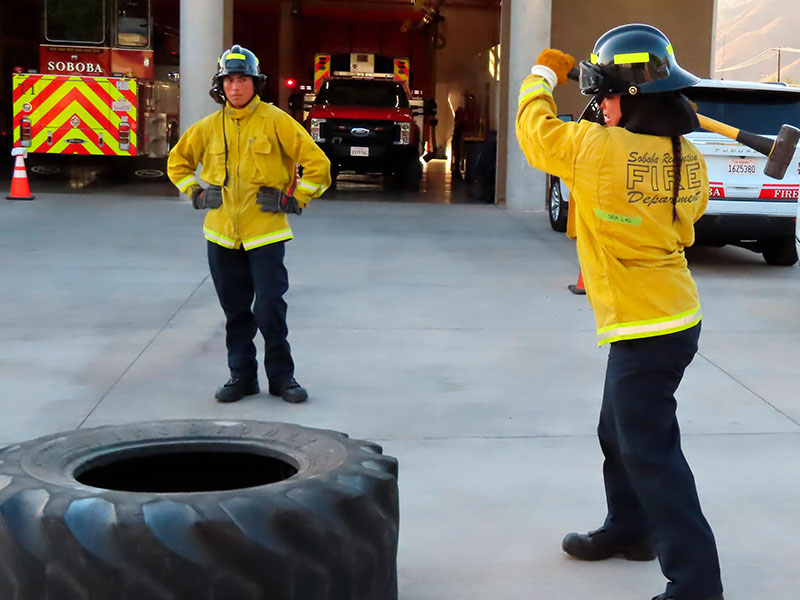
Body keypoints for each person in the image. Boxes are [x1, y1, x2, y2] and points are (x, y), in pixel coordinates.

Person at [515, 25, 723, 600]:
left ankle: (697, 584)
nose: (600, 105)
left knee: (652, 453)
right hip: (672, 315)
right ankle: (631, 530)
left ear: (628, 98)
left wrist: (542, 75)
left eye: (604, 94)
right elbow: (689, 219)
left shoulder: (592, 148)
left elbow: (534, 134)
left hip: (645, 327)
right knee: (617, 430)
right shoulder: (688, 156)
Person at [168, 45, 331, 404]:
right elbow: (177, 163)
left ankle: (282, 377)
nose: (236, 87)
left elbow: (318, 165)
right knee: (235, 311)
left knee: (269, 308)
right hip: (221, 236)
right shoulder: (208, 127)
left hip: (265, 234)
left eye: (243, 79)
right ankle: (241, 376)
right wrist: (195, 193)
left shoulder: (276, 121)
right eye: (229, 80)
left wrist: (294, 199)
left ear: (256, 83)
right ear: (220, 85)